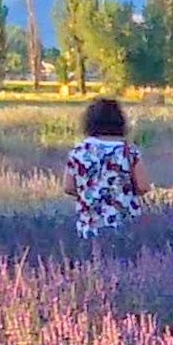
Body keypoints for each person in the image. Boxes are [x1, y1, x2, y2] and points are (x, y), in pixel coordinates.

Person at [65, 97, 149, 239]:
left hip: (90, 223)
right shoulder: (129, 151)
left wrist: (90, 192)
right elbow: (143, 186)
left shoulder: (78, 152)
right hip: (124, 223)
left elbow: (68, 187)